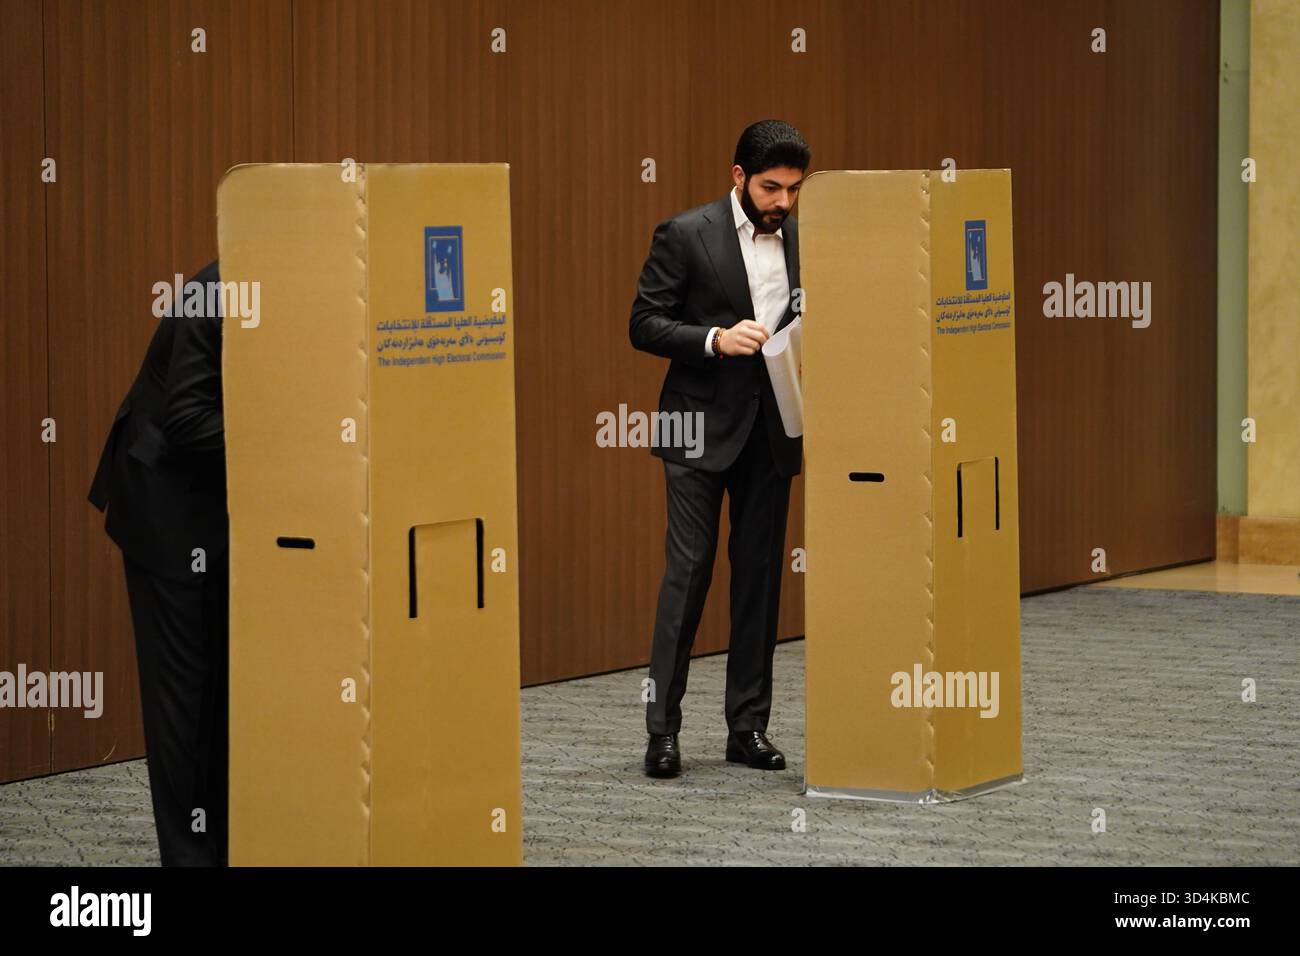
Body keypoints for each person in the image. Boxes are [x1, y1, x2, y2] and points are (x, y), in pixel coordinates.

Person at [629, 120, 809, 778]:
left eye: (793, 189)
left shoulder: (803, 236)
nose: (782, 202)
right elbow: (643, 323)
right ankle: (662, 732)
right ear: (738, 177)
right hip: (695, 425)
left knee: (759, 580)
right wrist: (713, 339)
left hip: (773, 428)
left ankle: (747, 728)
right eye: (770, 187)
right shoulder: (685, 233)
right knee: (689, 574)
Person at [88, 259, 229, 865]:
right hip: (166, 510)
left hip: (222, 511)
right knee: (182, 697)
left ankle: (229, 844)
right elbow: (190, 420)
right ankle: (190, 857)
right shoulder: (211, 294)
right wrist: (295, 433)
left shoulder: (308, 286)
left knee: (224, 692)